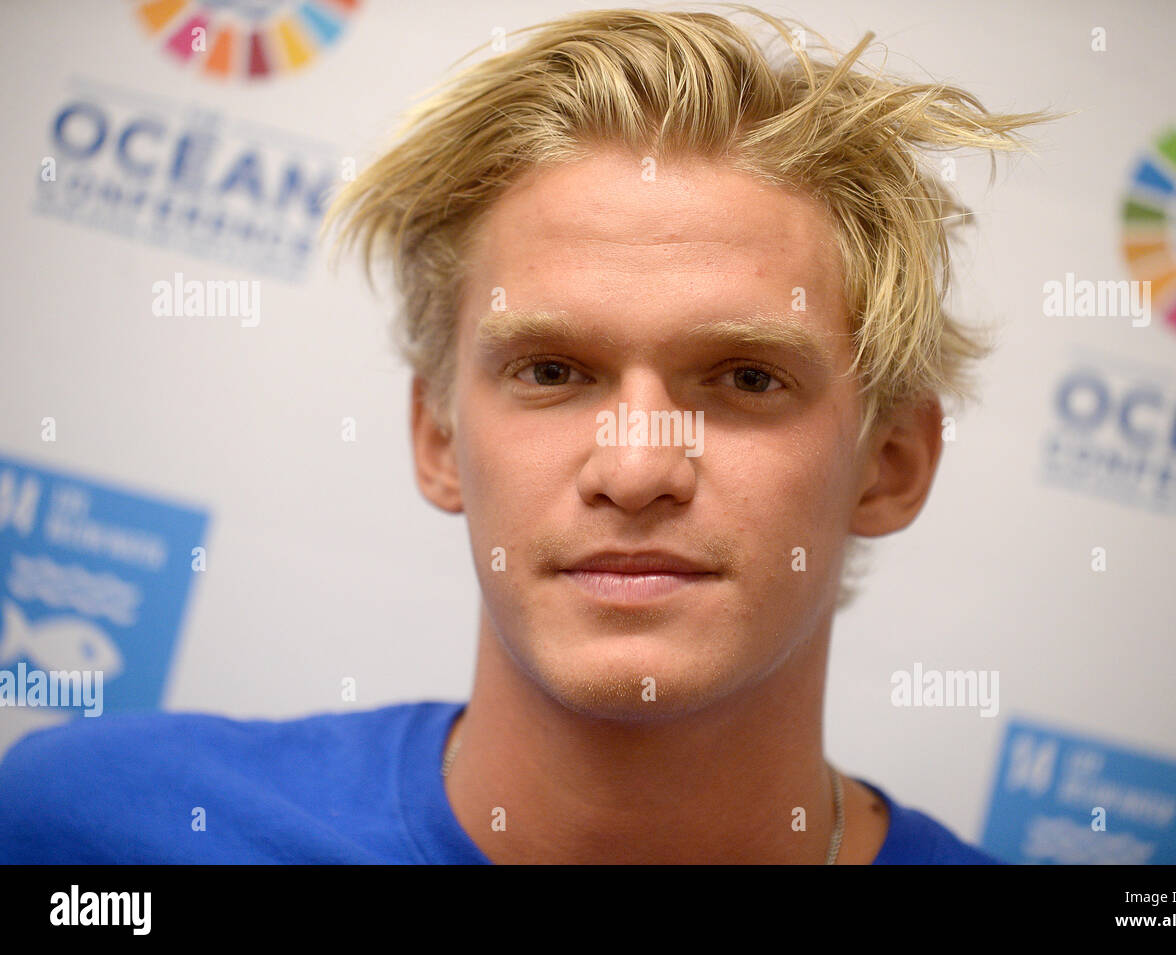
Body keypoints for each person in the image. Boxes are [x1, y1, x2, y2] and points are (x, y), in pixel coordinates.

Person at [0, 4, 1057, 864]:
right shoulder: (90, 831)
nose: (637, 468)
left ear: (891, 463)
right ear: (438, 438)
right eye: (551, 371)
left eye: (744, 378)